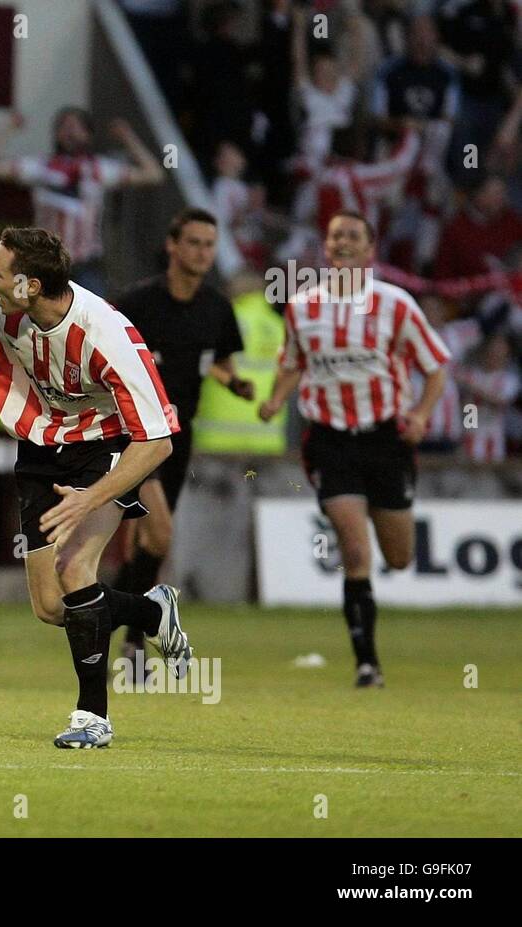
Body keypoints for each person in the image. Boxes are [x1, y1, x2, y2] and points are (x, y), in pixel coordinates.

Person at [0, 227, 192, 749]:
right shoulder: (3, 309)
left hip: (103, 443)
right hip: (42, 446)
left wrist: (94, 495)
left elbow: (157, 444)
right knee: (49, 605)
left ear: (31, 286)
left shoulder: (108, 335)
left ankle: (93, 717)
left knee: (75, 570)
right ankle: (153, 611)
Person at [258, 210, 449, 688]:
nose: (343, 242)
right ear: (326, 247)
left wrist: (421, 414)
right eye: (336, 235)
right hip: (330, 442)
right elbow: (293, 362)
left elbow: (437, 365)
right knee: (355, 549)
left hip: (386, 440)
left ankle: (369, 655)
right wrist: (277, 398)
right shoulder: (302, 307)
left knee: (399, 557)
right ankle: (368, 664)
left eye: (353, 236)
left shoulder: (396, 304)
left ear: (369, 250)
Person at [112, 209, 253, 677]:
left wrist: (234, 384)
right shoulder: (136, 304)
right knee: (161, 534)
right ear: (172, 246)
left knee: (147, 543)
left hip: (177, 435)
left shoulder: (217, 308)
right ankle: (114, 621)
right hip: (132, 432)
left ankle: (121, 634)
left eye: (209, 245)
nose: (202, 252)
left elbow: (214, 361)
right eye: (193, 242)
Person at [0, 109, 163, 293]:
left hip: (86, 265)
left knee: (91, 321)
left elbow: (154, 174)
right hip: (45, 263)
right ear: (56, 134)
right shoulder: (41, 167)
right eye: (64, 126)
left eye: (76, 126)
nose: (70, 131)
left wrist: (127, 137)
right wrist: (7, 129)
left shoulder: (100, 169)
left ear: (88, 135)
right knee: (43, 321)